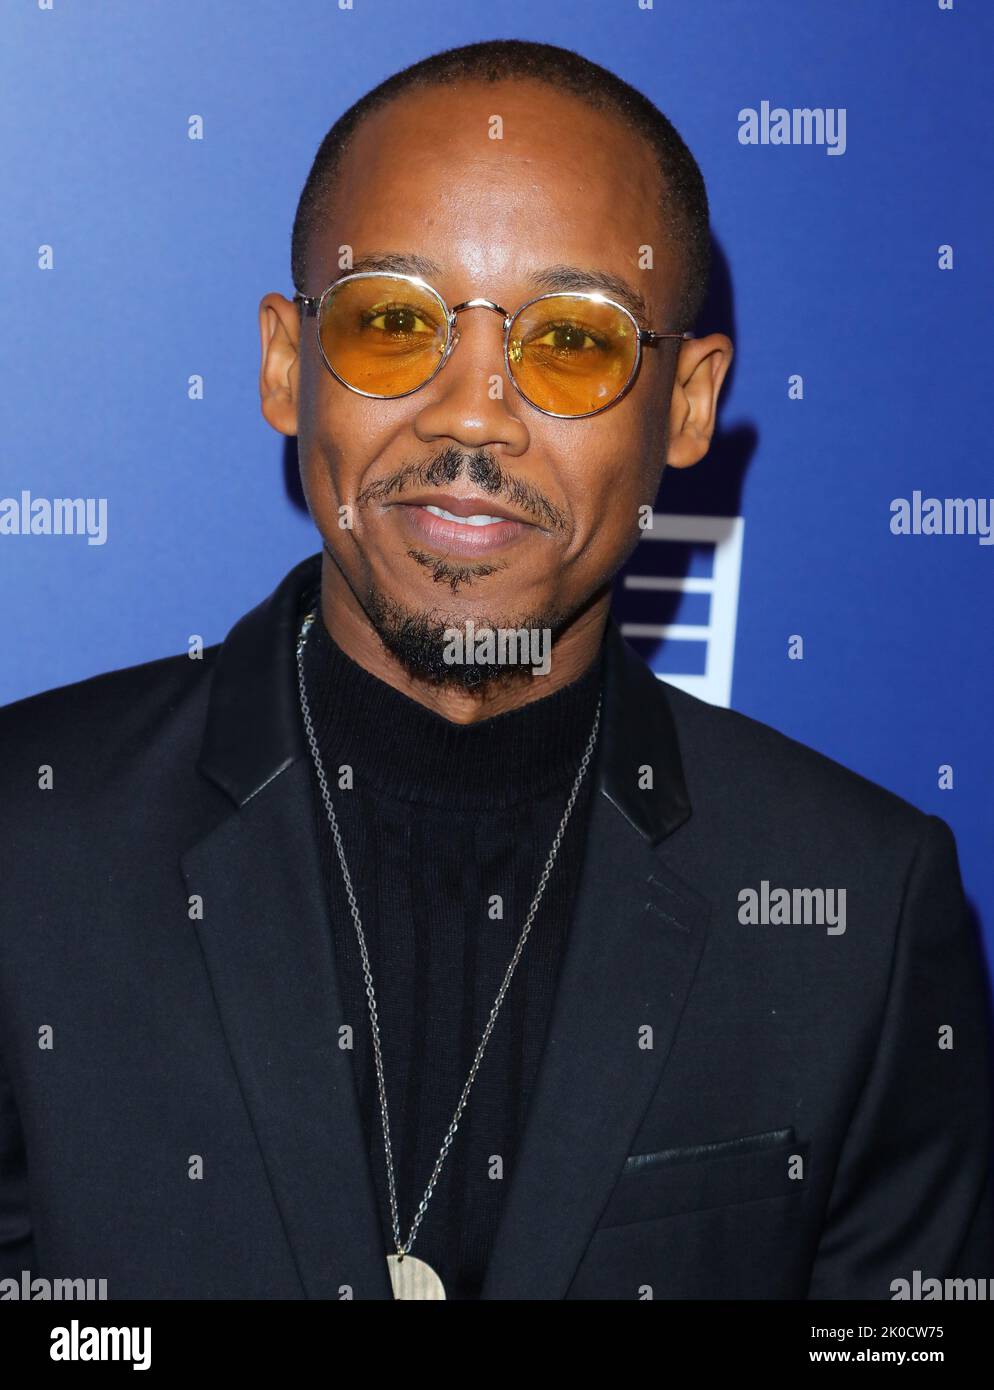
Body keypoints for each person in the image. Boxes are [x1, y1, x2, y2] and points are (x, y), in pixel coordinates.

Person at [1, 38, 991, 1302]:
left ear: (684, 404)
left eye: (572, 340)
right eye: (395, 319)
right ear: (281, 365)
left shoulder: (857, 904)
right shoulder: (26, 838)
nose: (472, 413)